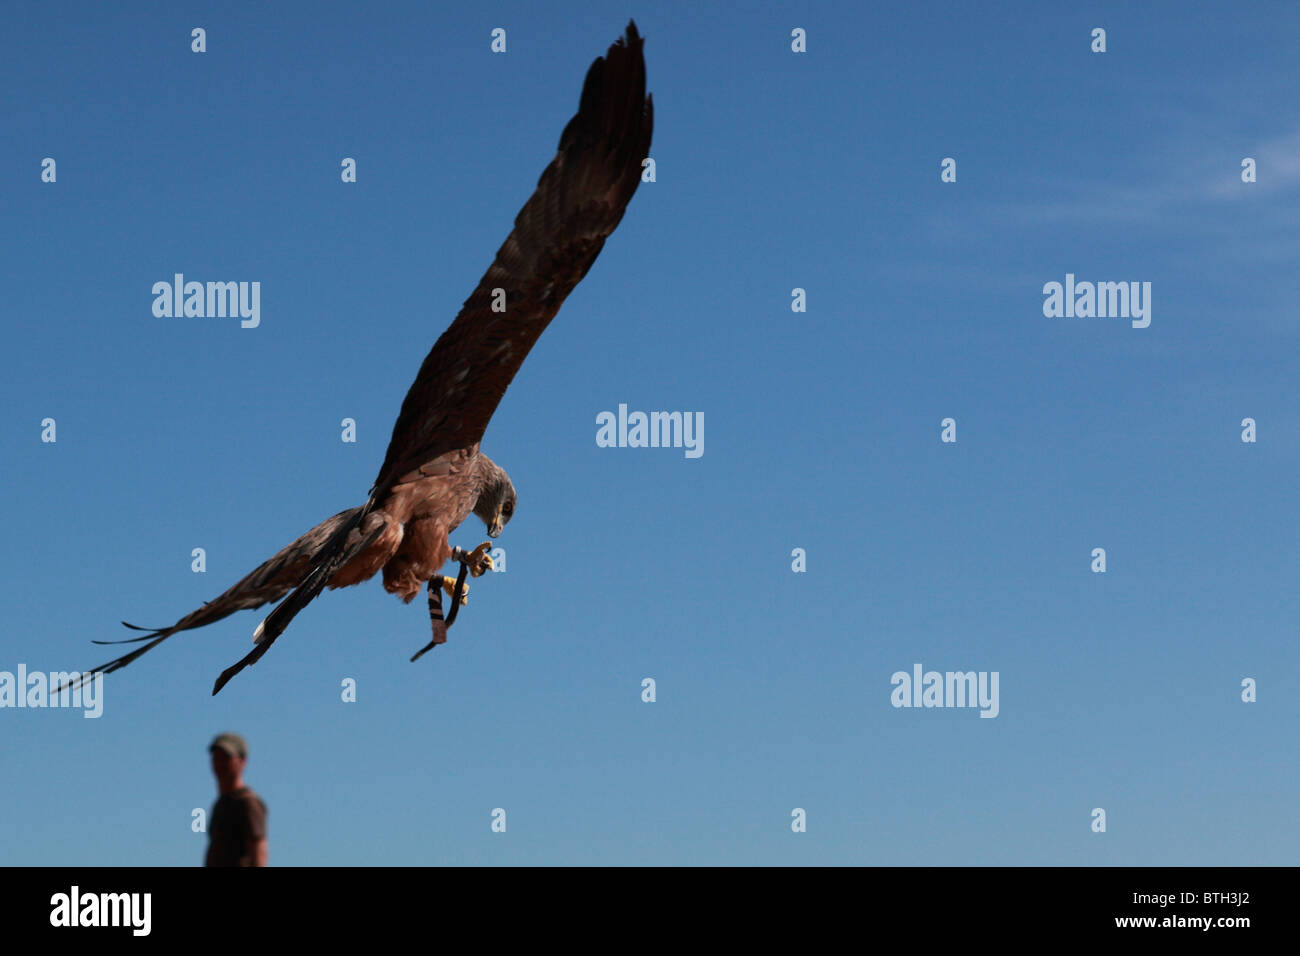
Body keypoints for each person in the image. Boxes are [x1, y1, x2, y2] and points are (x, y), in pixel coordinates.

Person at [204, 732, 268, 866]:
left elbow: (259, 851)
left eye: (226, 757)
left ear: (242, 761)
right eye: (216, 757)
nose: (220, 762)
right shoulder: (220, 804)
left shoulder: (248, 802)